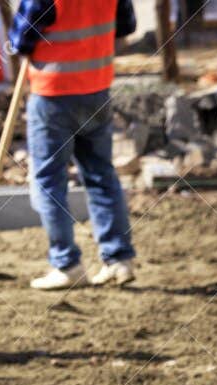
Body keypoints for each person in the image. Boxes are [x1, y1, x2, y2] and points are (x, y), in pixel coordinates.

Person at [9, 0, 139, 290]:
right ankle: (118, 260)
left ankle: (66, 264)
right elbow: (127, 26)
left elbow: (20, 38)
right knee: (101, 174)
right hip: (96, 89)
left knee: (48, 181)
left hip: (53, 94)